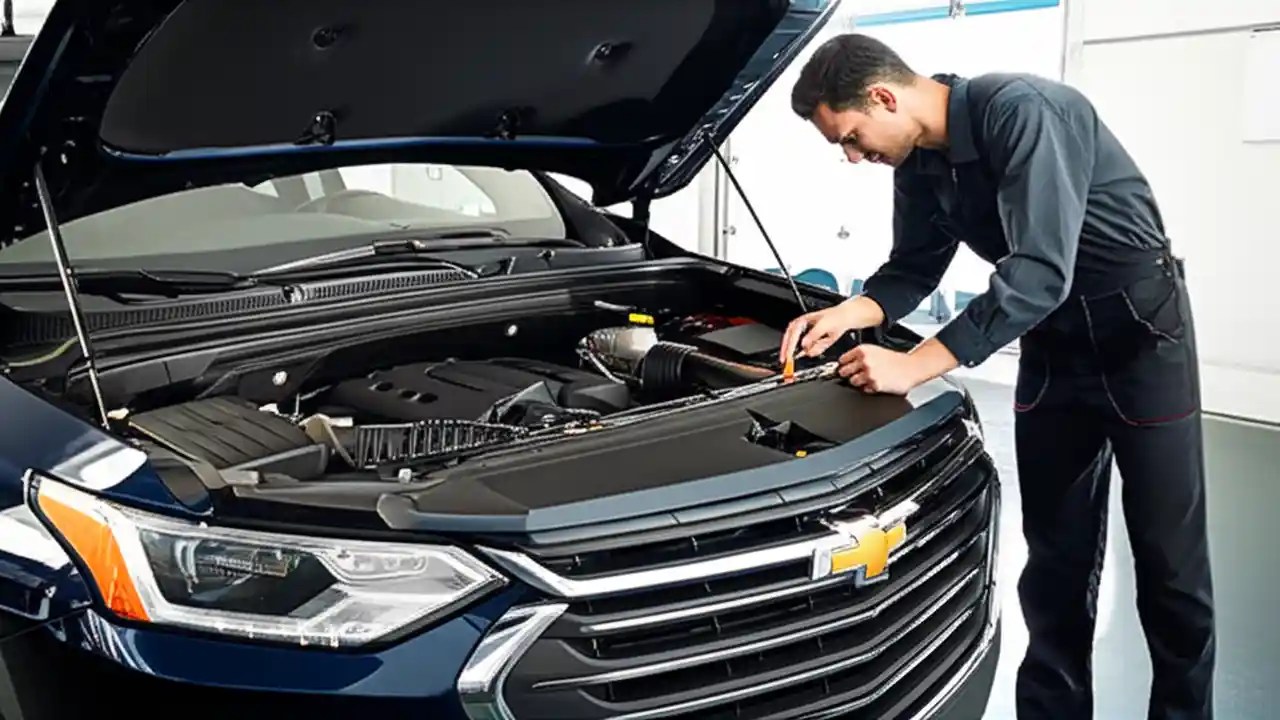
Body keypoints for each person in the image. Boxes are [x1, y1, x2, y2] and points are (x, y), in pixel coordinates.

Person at [779, 34, 1214, 719]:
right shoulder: (918, 161)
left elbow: (1040, 270)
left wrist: (914, 365)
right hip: (1051, 343)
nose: (855, 157)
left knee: (1171, 568)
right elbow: (913, 268)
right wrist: (849, 313)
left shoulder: (1026, 111)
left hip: (1141, 339)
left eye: (855, 138)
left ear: (885, 97)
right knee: (1054, 566)